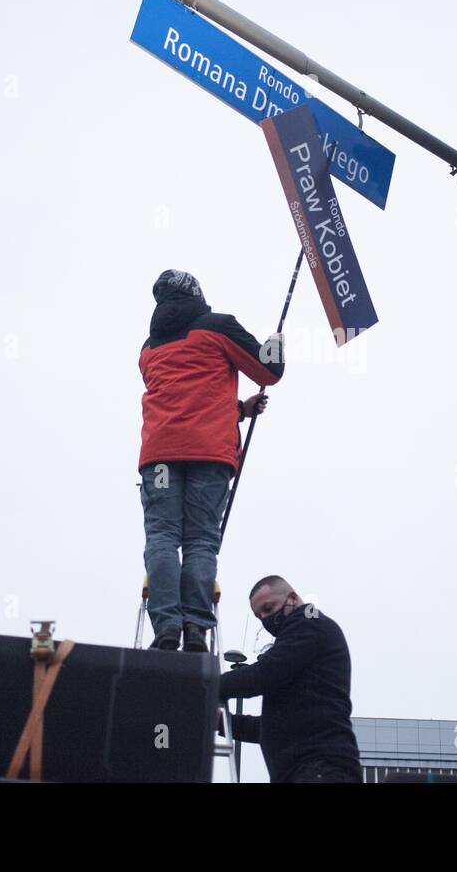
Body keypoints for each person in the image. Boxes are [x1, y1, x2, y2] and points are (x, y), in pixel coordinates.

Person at [138, 269, 284, 653]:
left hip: (160, 457)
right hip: (208, 454)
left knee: (162, 537)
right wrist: (275, 346)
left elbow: (181, 396)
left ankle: (166, 626)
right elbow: (268, 370)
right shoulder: (218, 327)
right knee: (201, 540)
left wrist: (238, 409)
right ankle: (196, 628)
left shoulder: (148, 349)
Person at [219, 576, 362, 782]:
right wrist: (220, 722)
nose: (265, 619)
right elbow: (272, 727)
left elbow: (264, 674)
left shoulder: (310, 624)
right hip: (308, 769)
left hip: (320, 768)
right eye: (259, 616)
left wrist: (209, 685)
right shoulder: (300, 650)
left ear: (293, 598)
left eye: (268, 608)